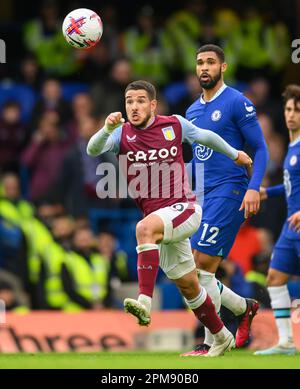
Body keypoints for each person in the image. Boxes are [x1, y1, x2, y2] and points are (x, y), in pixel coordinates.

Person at [87, 80, 252, 357]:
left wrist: (235, 154)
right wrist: (106, 128)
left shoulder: (174, 124)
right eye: (129, 101)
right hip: (160, 220)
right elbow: (93, 149)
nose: (134, 106)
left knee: (143, 229)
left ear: (153, 105)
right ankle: (222, 335)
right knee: (189, 286)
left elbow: (205, 136)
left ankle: (145, 302)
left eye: (140, 101)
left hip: (184, 209)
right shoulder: (122, 134)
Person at [182, 44, 269, 356]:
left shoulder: (236, 102)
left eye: (210, 62)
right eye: (200, 63)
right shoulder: (192, 111)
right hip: (202, 195)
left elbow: (260, 149)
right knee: (193, 273)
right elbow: (198, 161)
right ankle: (243, 307)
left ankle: (211, 342)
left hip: (230, 191)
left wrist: (252, 187)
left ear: (223, 67)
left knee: (200, 268)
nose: (204, 68)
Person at [254, 84, 300, 355]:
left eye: (296, 110)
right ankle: (285, 342)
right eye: (288, 109)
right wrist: (266, 193)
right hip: (289, 226)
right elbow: (290, 185)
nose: (291, 114)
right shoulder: (292, 146)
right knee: (273, 278)